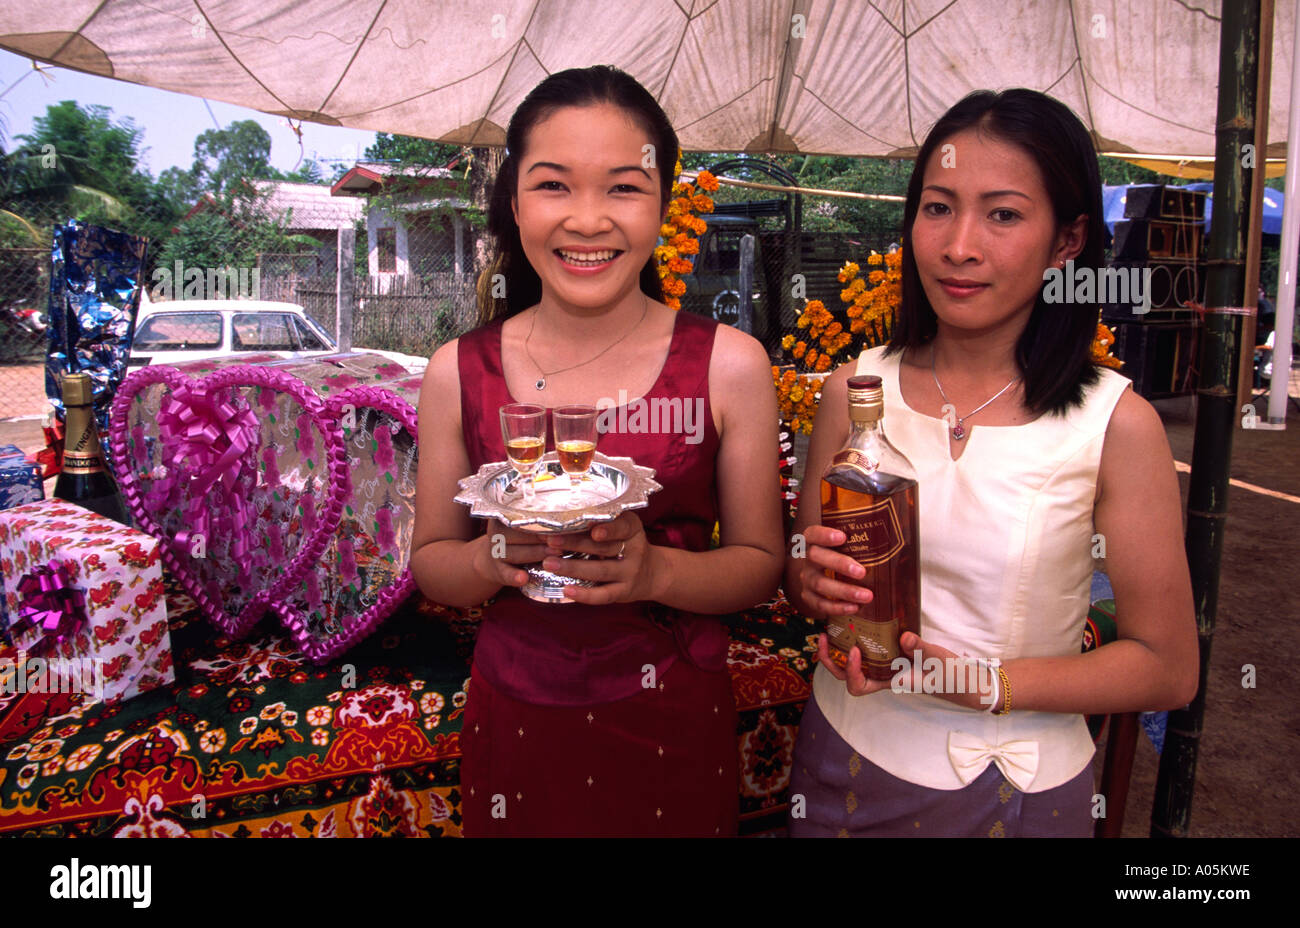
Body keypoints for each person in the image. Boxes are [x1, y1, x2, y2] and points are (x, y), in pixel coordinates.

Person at [784, 89, 1199, 837]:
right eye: (938, 207)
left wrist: (989, 686)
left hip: (1015, 794)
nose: (958, 246)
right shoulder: (856, 390)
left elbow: (1167, 665)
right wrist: (811, 583)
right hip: (840, 759)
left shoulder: (1115, 425)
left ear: (1068, 240)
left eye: (1003, 214)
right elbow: (806, 580)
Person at [410, 65, 784, 837]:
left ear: (662, 204)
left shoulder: (730, 364)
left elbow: (759, 563)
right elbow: (434, 564)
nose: (588, 220)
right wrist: (492, 561)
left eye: (623, 187)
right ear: (514, 203)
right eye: (554, 186)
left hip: (673, 718)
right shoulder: (457, 370)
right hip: (517, 716)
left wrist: (658, 571)